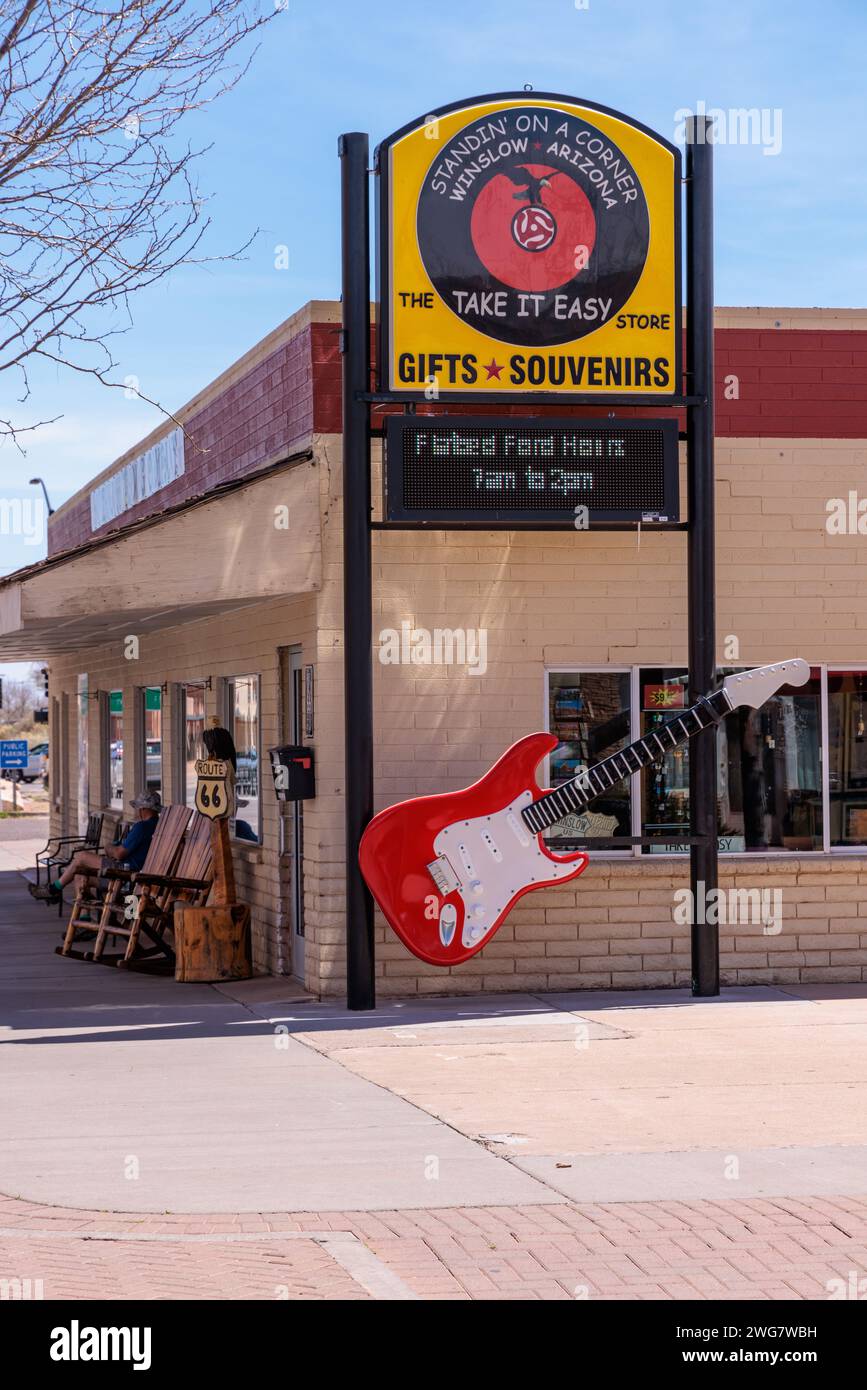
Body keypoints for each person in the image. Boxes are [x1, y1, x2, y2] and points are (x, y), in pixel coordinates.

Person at [32, 791, 162, 904]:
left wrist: (109, 847)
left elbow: (119, 854)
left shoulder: (142, 827)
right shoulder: (158, 826)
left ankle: (54, 889)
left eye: (139, 808)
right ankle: (84, 922)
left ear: (144, 808)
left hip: (126, 875)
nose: (138, 811)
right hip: (136, 876)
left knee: (82, 857)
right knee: (80, 876)